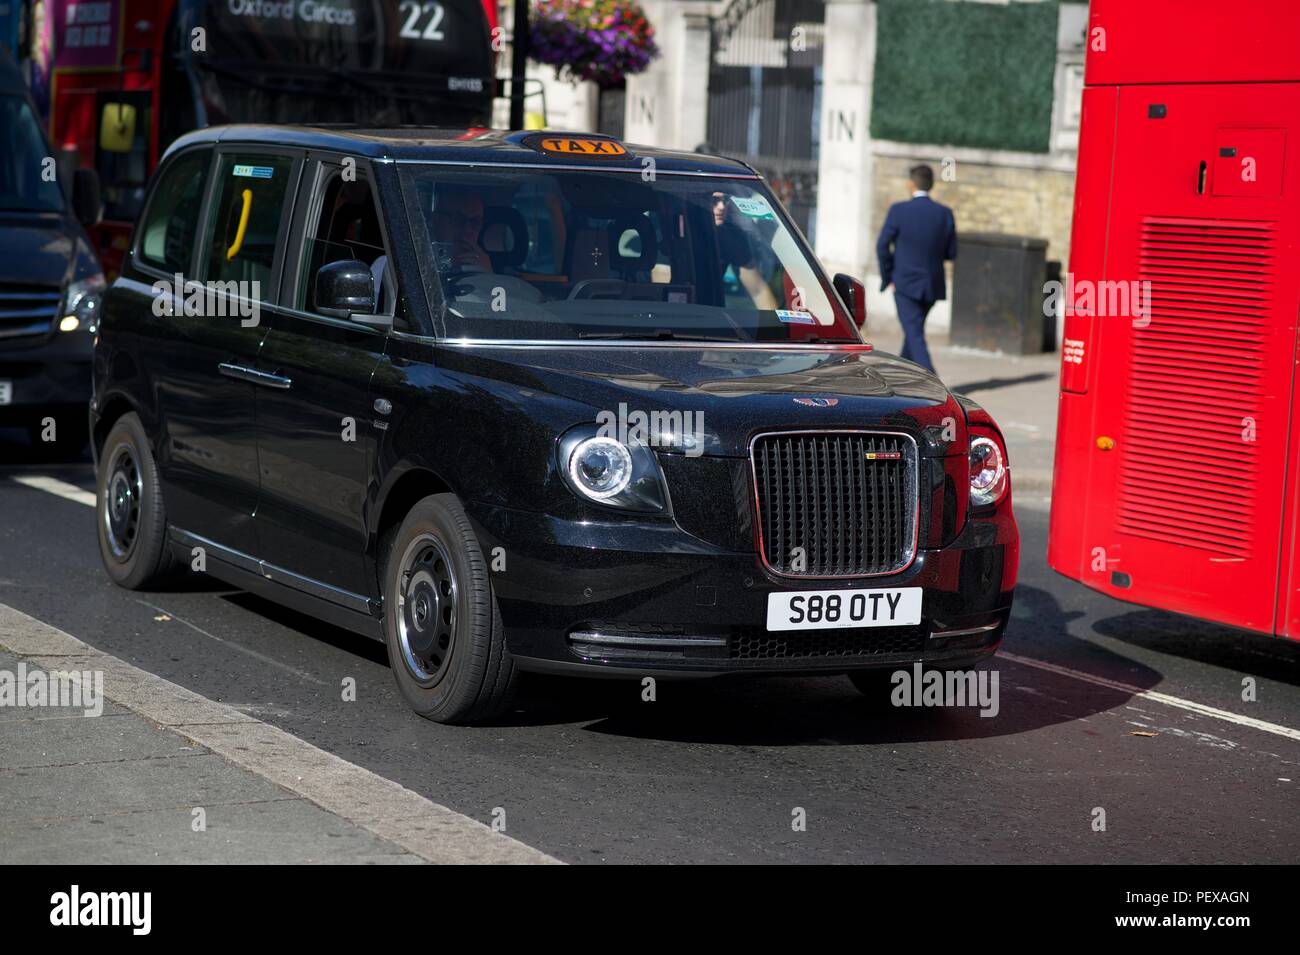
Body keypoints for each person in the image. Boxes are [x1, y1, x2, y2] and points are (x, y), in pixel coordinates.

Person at [875, 164, 956, 374]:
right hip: (932, 285)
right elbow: (951, 252)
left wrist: (888, 275)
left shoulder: (899, 210)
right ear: (932, 184)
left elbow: (882, 246)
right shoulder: (945, 213)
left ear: (911, 184)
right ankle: (898, 376)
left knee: (914, 335)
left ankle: (936, 386)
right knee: (913, 331)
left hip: (905, 283)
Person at [711, 191, 778, 310]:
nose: (721, 207)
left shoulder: (730, 238)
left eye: (725, 200)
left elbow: (758, 290)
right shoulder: (674, 229)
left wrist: (776, 326)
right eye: (714, 201)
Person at [431, 184, 491, 272]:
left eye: (475, 222)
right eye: (458, 219)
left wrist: (487, 276)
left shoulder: (483, 267)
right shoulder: (417, 256)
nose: (467, 230)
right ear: (435, 220)